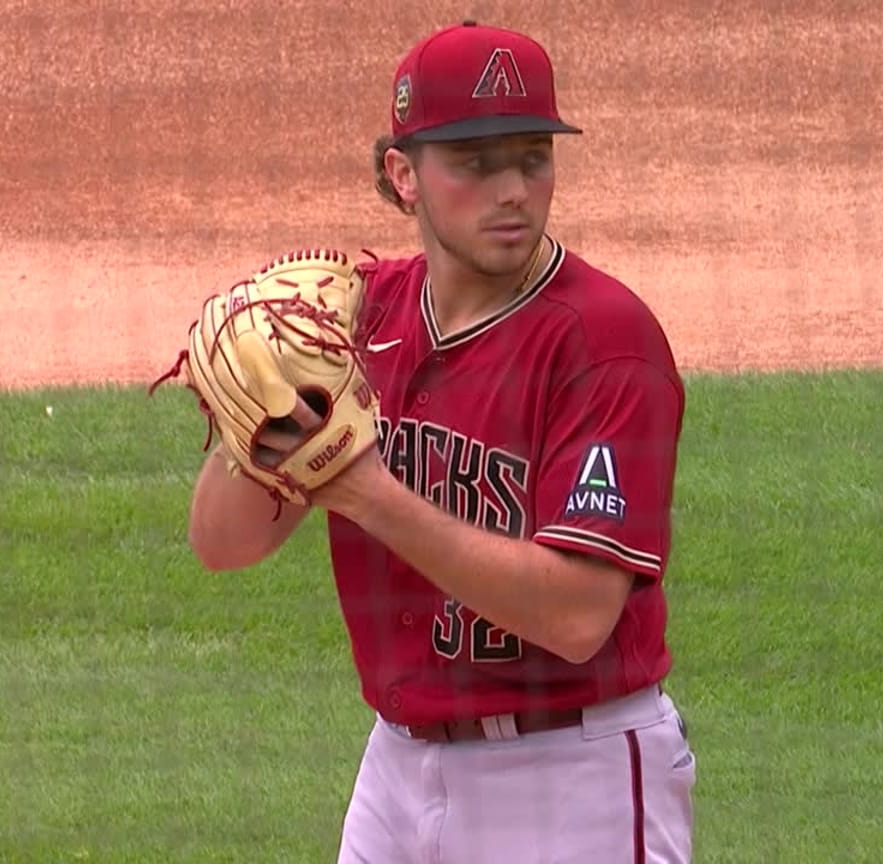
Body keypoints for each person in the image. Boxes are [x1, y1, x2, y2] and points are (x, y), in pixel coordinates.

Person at [183, 20, 696, 863]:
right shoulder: (360, 319)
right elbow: (222, 544)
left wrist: (364, 493)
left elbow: (577, 617)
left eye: (533, 158)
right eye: (475, 163)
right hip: (397, 768)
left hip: (574, 777)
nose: (513, 191)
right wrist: (258, 413)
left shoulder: (606, 341)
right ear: (403, 174)